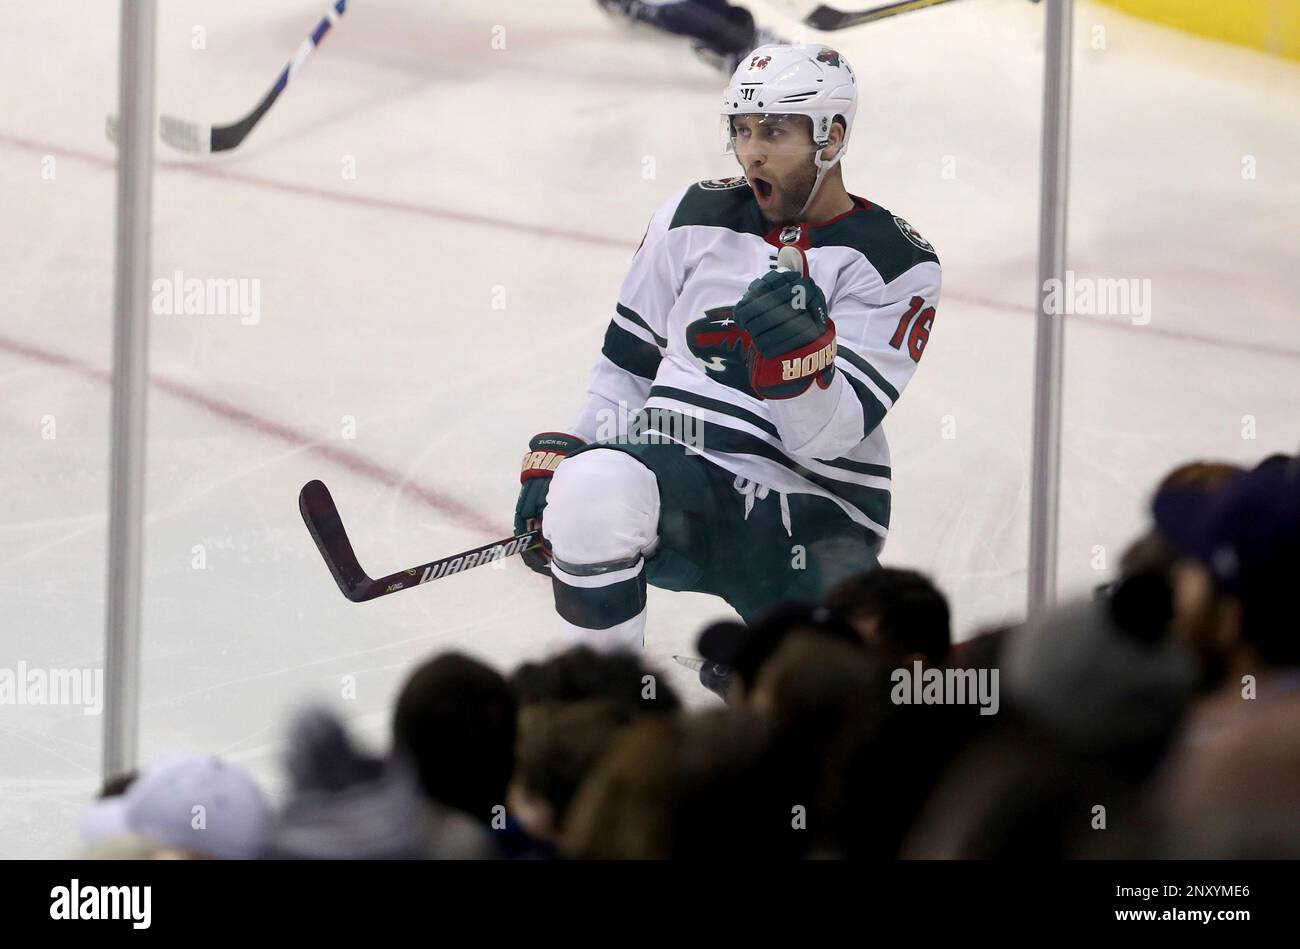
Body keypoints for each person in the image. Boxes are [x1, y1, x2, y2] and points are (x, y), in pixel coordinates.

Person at [514, 45, 943, 664]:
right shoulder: (690, 217)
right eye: (742, 131)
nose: (753, 152)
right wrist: (572, 457)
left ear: (832, 137)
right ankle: (606, 704)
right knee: (592, 488)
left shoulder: (895, 261)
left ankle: (759, 678)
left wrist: (798, 363)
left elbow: (828, 437)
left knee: (833, 688)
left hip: (817, 507)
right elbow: (625, 369)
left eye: (775, 131)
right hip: (680, 473)